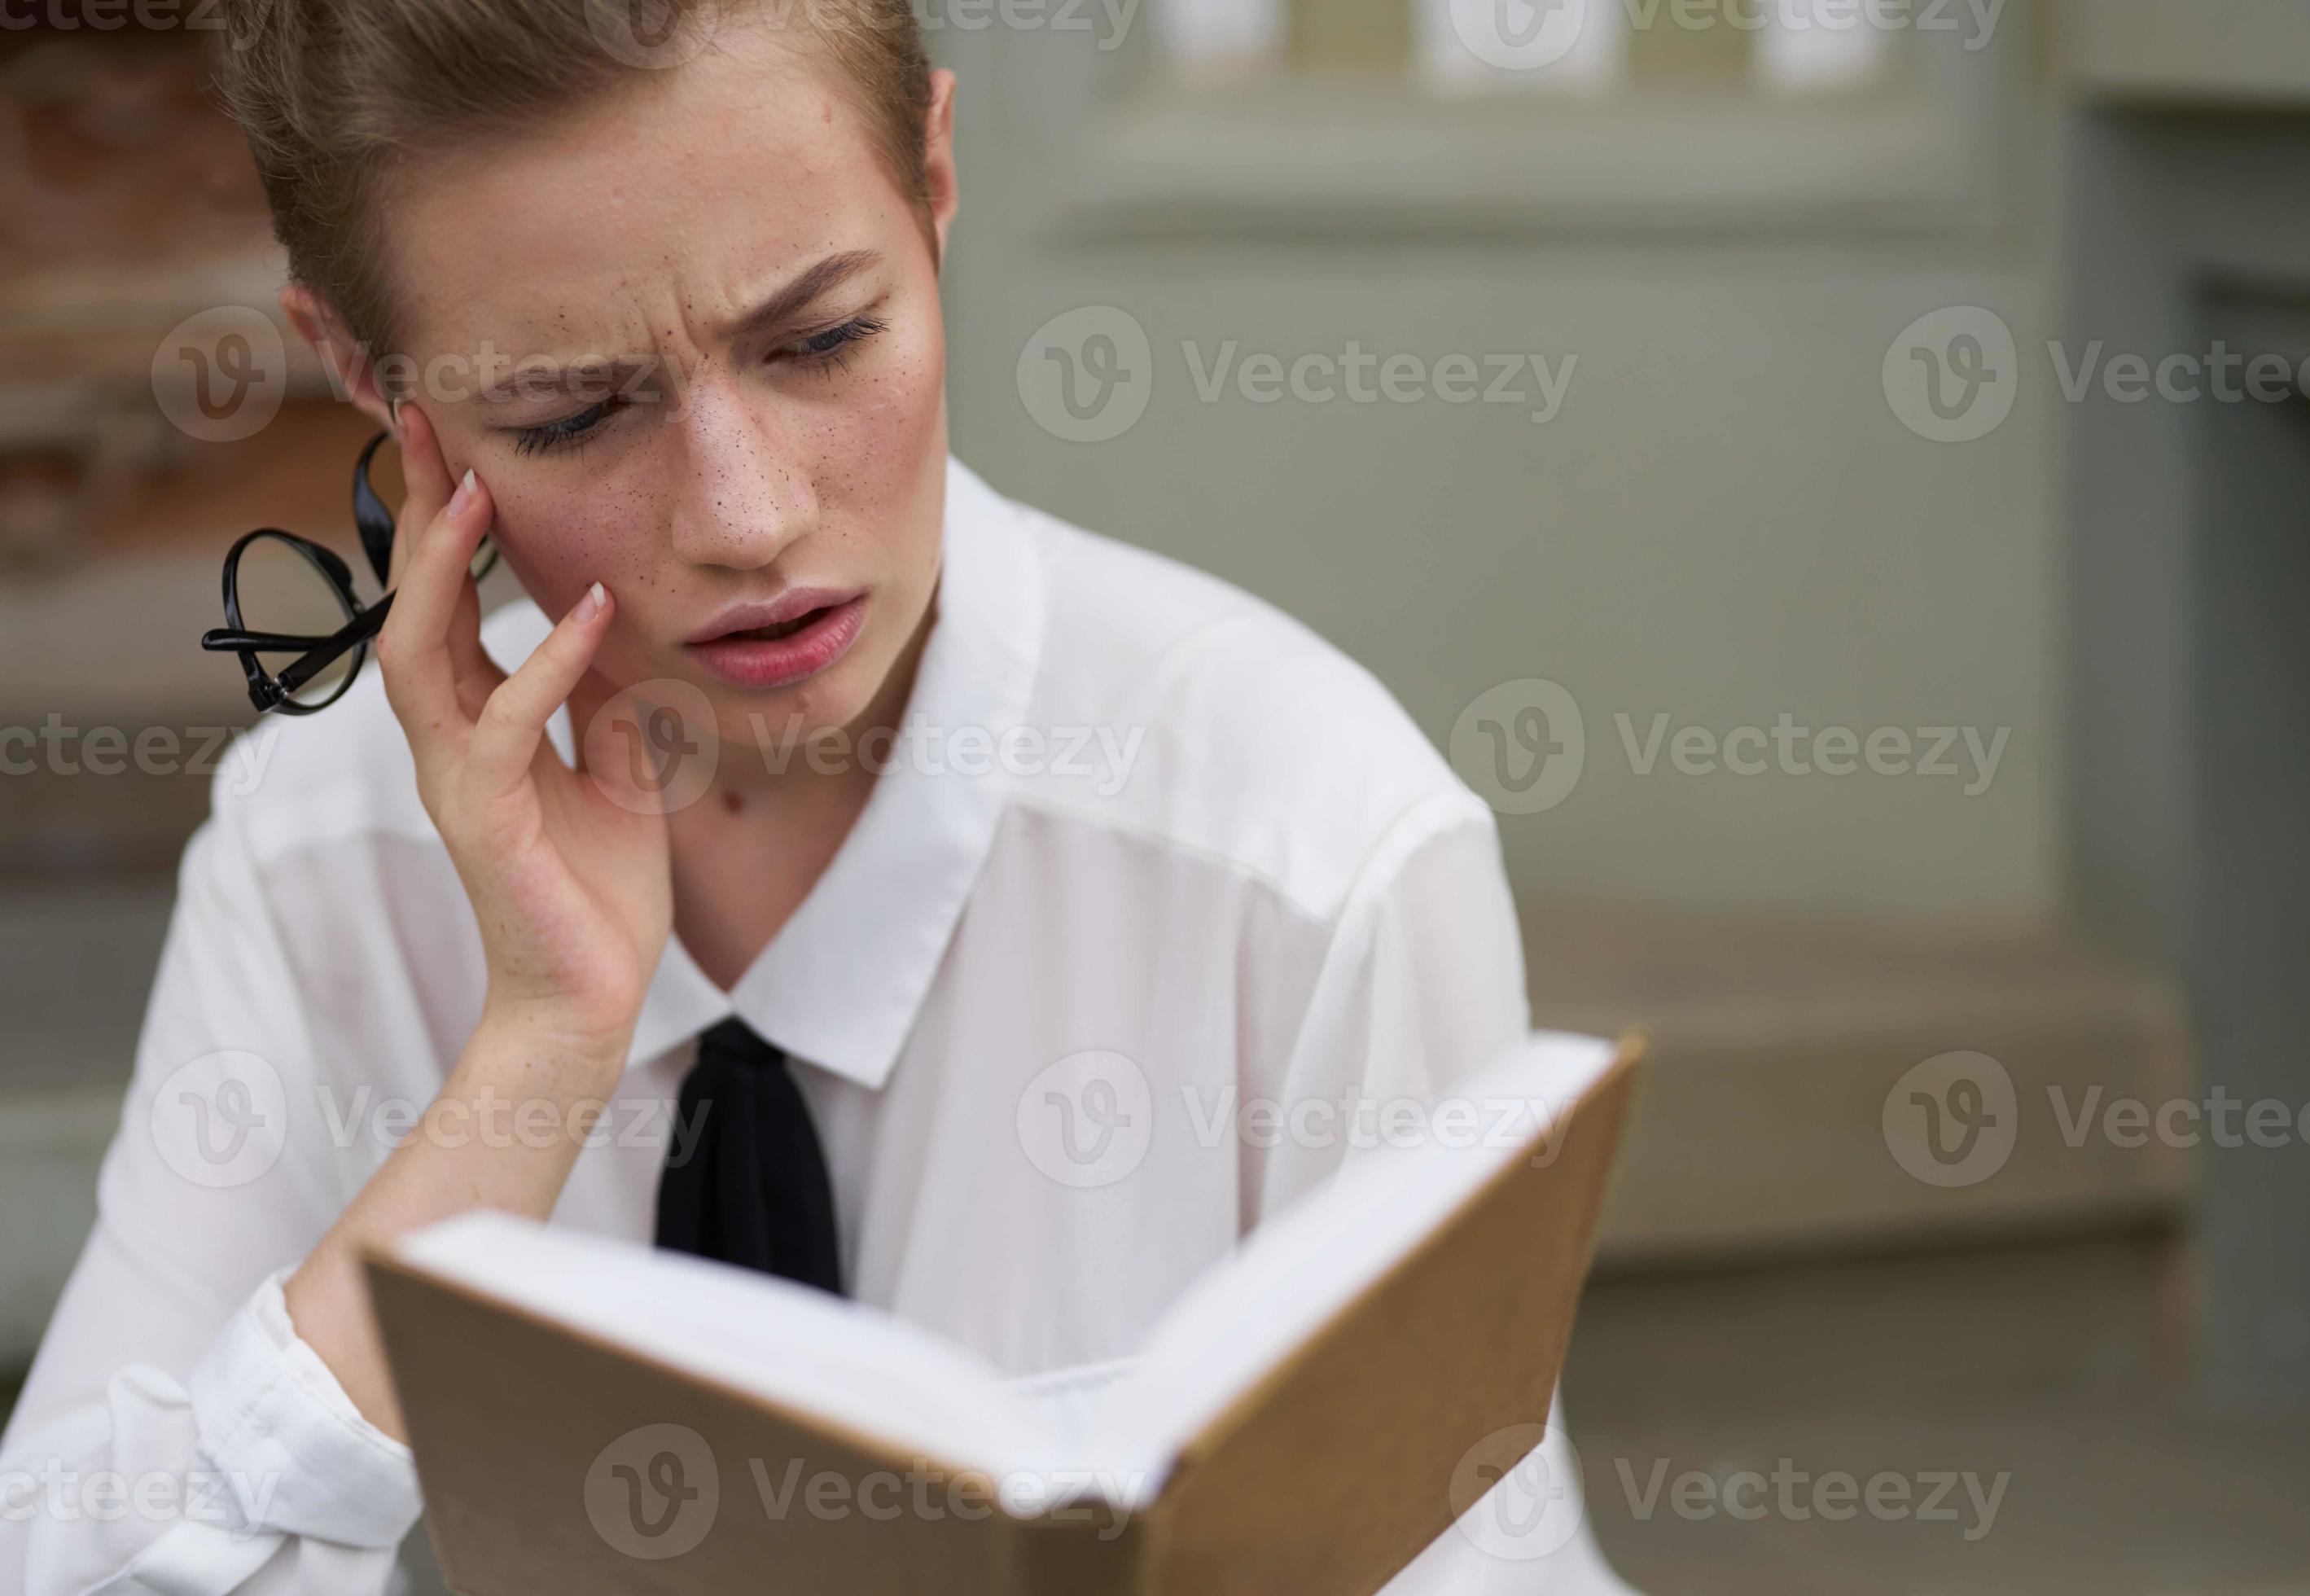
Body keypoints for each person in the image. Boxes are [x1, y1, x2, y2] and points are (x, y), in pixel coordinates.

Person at [0, 2, 1633, 1589]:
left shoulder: (1309, 848)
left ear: (933, 178)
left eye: (821, 337)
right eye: (574, 412)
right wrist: (536, 1050)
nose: (749, 513)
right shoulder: (317, 849)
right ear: (368, 376)